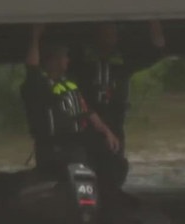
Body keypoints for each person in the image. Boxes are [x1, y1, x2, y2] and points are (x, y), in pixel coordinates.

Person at [68, 21, 166, 191]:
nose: (108, 37)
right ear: (95, 35)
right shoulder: (83, 61)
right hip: (88, 124)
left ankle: (112, 196)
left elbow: (157, 52)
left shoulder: (124, 60)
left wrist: (153, 22)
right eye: (104, 33)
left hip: (115, 123)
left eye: (112, 33)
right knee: (87, 169)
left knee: (114, 170)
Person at [20, 24, 120, 184]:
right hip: (52, 149)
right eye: (64, 56)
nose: (68, 60)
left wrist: (107, 131)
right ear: (53, 59)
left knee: (85, 182)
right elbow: (31, 67)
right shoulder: (38, 84)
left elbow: (87, 111)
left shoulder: (70, 83)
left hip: (76, 147)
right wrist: (35, 36)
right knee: (55, 187)